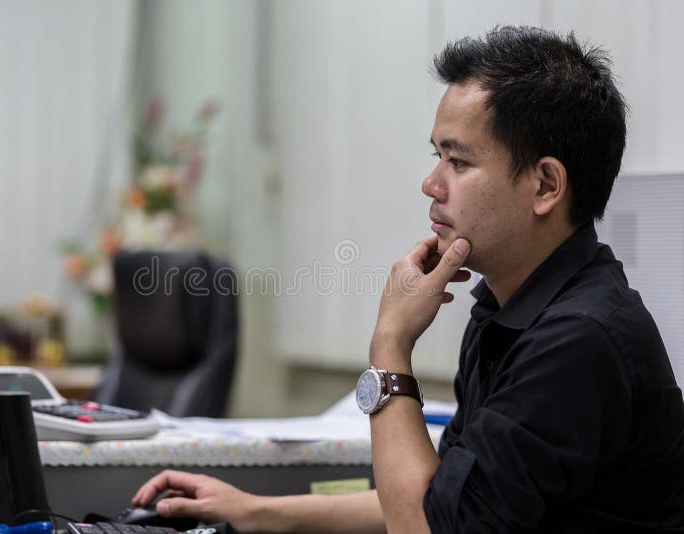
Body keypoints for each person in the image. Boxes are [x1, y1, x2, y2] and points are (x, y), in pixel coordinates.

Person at [132, 26, 684, 533]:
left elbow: (426, 528)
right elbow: (436, 498)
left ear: (545, 185)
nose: (430, 183)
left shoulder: (578, 340)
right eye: (435, 156)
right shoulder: (507, 308)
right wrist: (255, 511)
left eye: (458, 162)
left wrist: (390, 347)